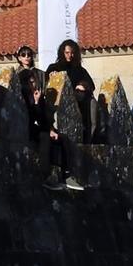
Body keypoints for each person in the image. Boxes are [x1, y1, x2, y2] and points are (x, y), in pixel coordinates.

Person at [44, 40, 95, 191]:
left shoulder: (79, 70)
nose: (70, 55)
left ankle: (68, 175)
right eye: (67, 52)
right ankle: (59, 174)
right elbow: (47, 85)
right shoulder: (54, 68)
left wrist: (83, 85)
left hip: (76, 112)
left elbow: (90, 85)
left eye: (72, 53)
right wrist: (51, 77)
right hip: (56, 112)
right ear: (62, 52)